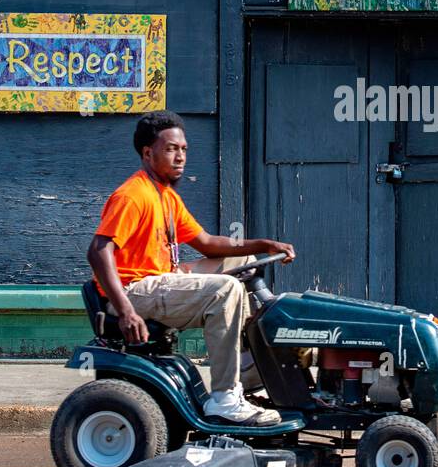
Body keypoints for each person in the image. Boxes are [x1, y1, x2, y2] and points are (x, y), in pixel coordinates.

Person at [86, 111, 296, 426]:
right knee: (226, 289)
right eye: (171, 149)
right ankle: (225, 398)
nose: (180, 156)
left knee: (243, 265)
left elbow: (208, 243)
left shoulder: (166, 196)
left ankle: (249, 369)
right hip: (136, 290)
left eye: (183, 149)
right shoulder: (134, 195)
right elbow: (98, 251)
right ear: (148, 152)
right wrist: (126, 310)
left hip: (161, 279)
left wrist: (263, 245)